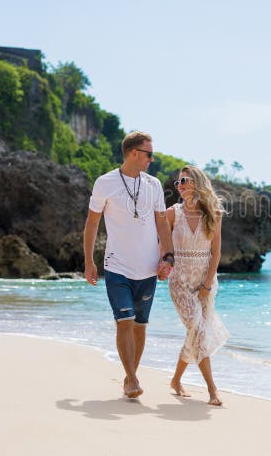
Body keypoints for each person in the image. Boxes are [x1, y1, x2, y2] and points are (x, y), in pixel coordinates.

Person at [83, 131, 174, 398]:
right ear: (134, 153)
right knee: (125, 321)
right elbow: (92, 223)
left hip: (147, 268)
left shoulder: (154, 185)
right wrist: (88, 261)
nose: (152, 159)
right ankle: (133, 379)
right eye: (149, 154)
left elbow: (162, 223)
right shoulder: (105, 183)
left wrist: (168, 257)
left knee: (140, 326)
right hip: (117, 266)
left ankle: (129, 375)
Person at [165, 165, 230, 406]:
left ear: (197, 182)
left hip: (205, 282)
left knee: (195, 332)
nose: (180, 186)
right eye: (178, 182)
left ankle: (175, 380)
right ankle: (212, 390)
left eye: (184, 180)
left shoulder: (213, 213)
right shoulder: (172, 214)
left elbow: (216, 253)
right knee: (198, 329)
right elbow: (160, 244)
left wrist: (207, 284)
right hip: (180, 282)